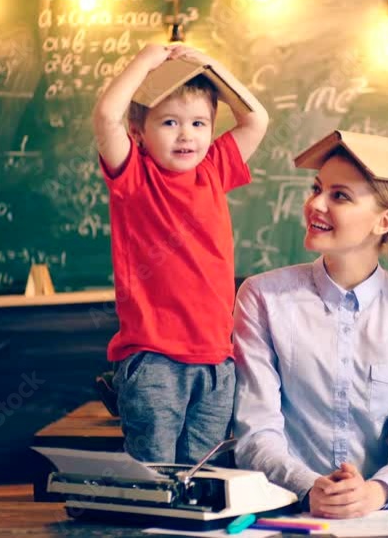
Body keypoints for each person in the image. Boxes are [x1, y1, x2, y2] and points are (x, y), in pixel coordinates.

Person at [233, 131, 388, 518]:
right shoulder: (263, 298)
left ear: (383, 222)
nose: (315, 204)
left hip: (386, 519)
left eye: (339, 195)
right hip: (288, 513)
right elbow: (256, 434)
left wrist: (375, 492)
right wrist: (307, 486)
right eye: (316, 188)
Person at [92, 43, 268, 464]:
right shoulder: (134, 176)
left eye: (199, 123)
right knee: (154, 476)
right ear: (139, 133)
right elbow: (105, 116)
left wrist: (212, 66)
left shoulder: (214, 169)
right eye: (169, 122)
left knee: (201, 476)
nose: (187, 134)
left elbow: (255, 118)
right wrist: (146, 62)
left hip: (216, 361)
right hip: (154, 359)